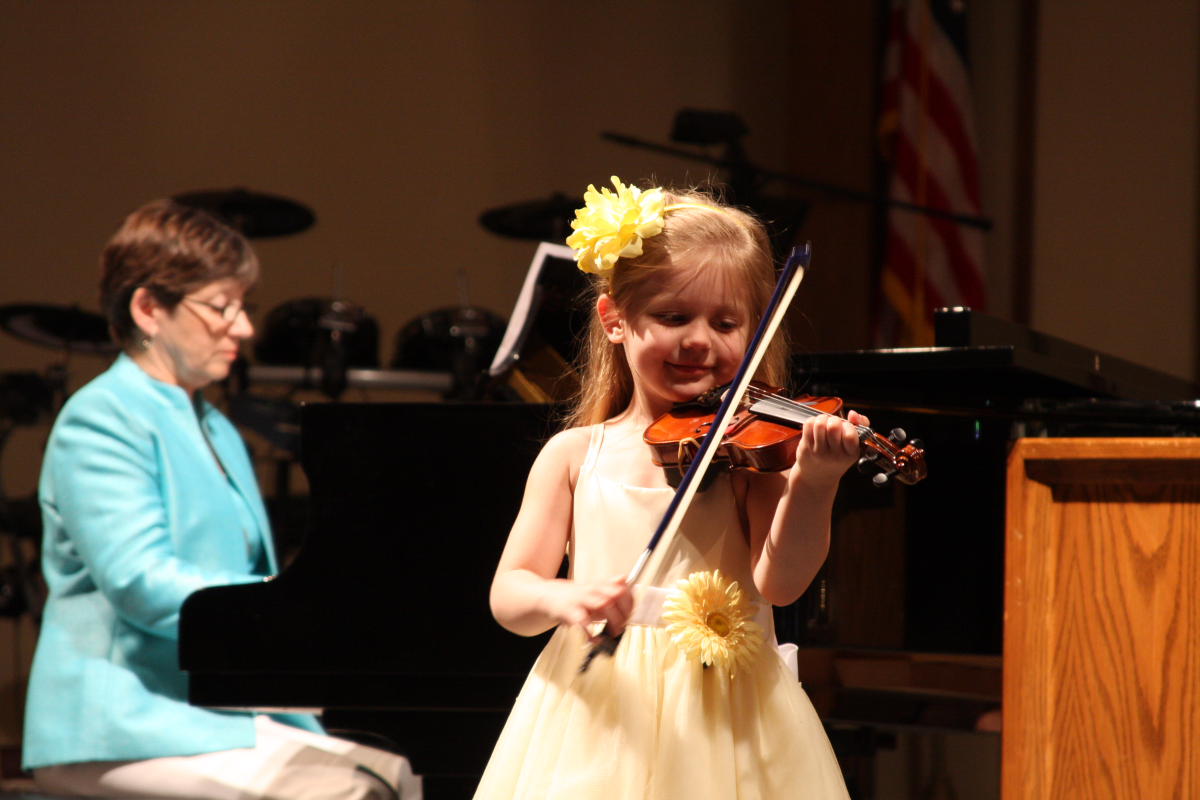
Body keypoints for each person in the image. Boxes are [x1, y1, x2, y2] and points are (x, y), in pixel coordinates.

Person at [474, 177, 862, 799]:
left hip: (732, 714)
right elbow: (510, 594)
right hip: (602, 713)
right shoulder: (576, 455)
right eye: (674, 316)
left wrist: (815, 483)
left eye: (727, 322)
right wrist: (567, 601)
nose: (700, 340)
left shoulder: (749, 455)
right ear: (615, 319)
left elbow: (780, 583)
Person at [22, 199, 421, 800]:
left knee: (401, 775)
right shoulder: (102, 417)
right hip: (122, 722)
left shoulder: (216, 426)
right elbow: (140, 582)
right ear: (149, 308)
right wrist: (282, 607)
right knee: (347, 792)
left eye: (244, 306)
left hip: (212, 711)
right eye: (220, 307)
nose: (244, 328)